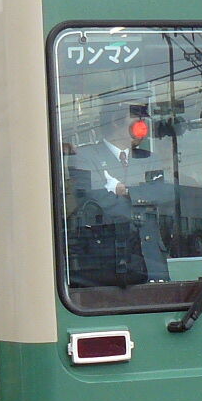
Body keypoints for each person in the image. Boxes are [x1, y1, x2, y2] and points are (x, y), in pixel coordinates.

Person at [66, 103, 174, 284]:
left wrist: (126, 191)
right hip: (108, 263)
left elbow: (164, 194)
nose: (143, 126)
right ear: (116, 122)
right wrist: (141, 201)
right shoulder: (85, 157)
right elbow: (96, 201)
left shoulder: (149, 158)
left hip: (151, 262)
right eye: (136, 119)